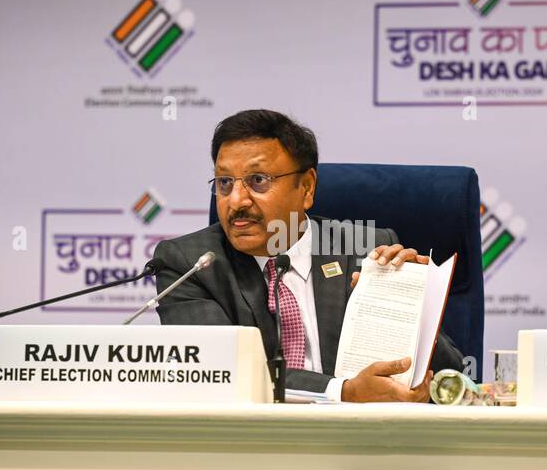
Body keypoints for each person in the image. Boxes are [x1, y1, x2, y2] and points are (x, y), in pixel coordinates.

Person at [153, 109, 465, 402]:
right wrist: (342, 391)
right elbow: (218, 372)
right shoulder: (191, 264)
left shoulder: (366, 250)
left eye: (257, 181)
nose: (236, 201)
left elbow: (453, 374)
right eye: (224, 183)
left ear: (306, 187)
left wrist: (411, 315)